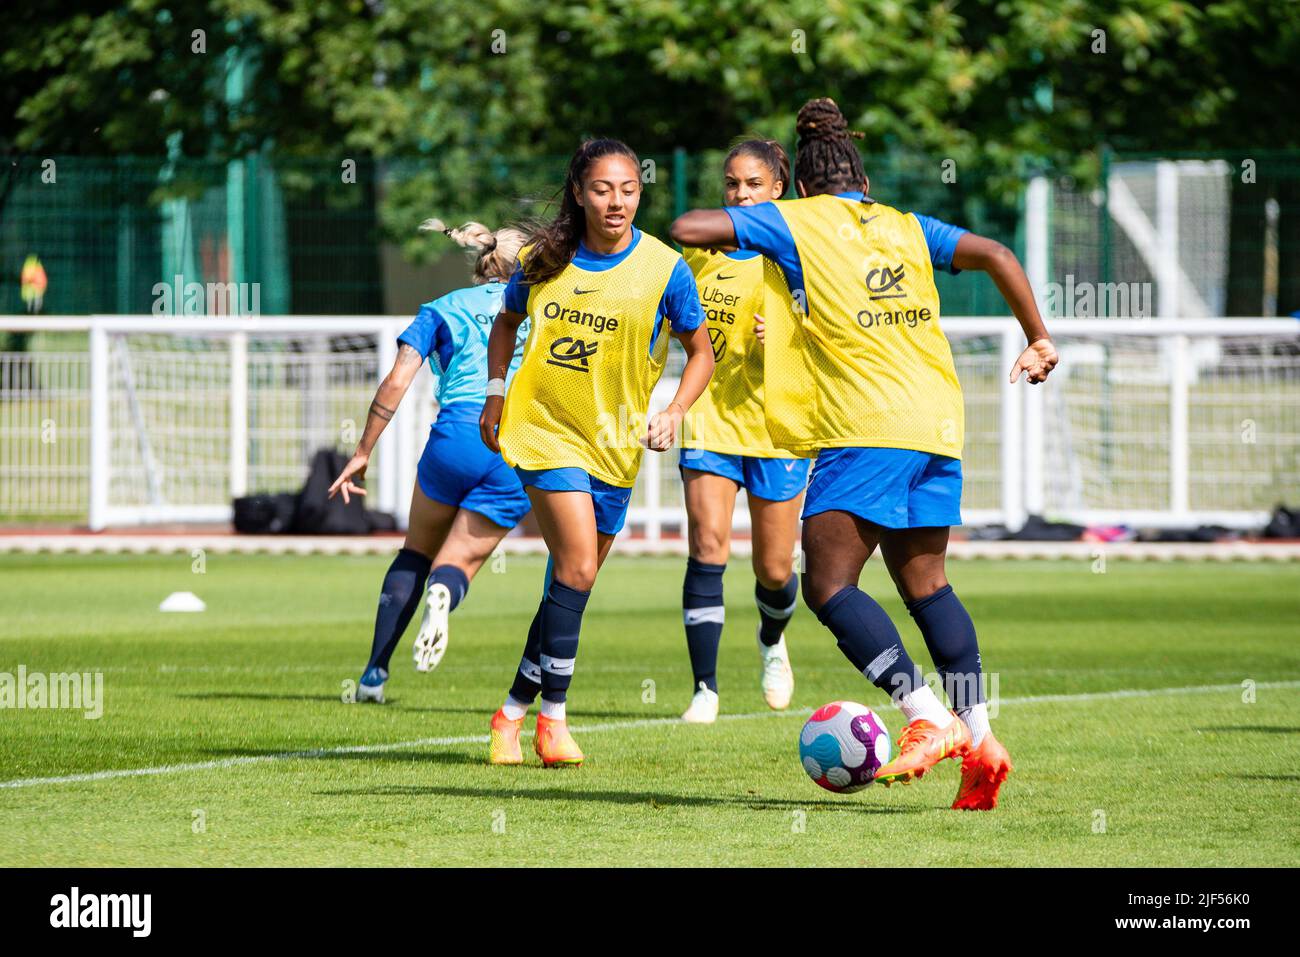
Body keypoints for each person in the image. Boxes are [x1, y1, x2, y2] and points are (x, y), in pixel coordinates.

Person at [670, 98, 1058, 809]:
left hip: (866, 426)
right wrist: (1038, 336)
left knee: (826, 584)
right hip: (937, 421)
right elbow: (999, 254)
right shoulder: (907, 225)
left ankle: (925, 716)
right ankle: (982, 732)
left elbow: (686, 227)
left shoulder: (797, 218)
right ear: (863, 177)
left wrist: (761, 222)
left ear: (804, 185)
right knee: (927, 585)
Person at [479, 138, 714, 767]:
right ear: (580, 193)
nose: (617, 201)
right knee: (578, 566)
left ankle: (510, 714)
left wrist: (674, 411)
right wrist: (496, 394)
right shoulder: (543, 260)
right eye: (604, 189)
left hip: (614, 444)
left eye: (629, 189)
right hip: (543, 429)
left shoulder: (667, 268)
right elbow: (505, 324)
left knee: (571, 580)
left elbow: (703, 353)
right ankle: (553, 721)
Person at [330, 219, 533, 703]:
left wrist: (362, 453)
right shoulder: (540, 311)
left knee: (415, 552)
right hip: (514, 442)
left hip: (455, 435)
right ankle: (444, 594)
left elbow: (397, 382)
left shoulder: (442, 308)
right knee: (456, 562)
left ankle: (373, 676)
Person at [677, 139, 808, 724]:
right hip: (709, 421)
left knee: (775, 570)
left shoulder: (797, 258)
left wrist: (788, 337)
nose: (741, 195)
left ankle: (772, 640)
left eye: (753, 184)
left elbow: (835, 342)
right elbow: (670, 336)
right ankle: (704, 688)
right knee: (708, 546)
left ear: (776, 189)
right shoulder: (697, 257)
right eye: (732, 184)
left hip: (779, 429)